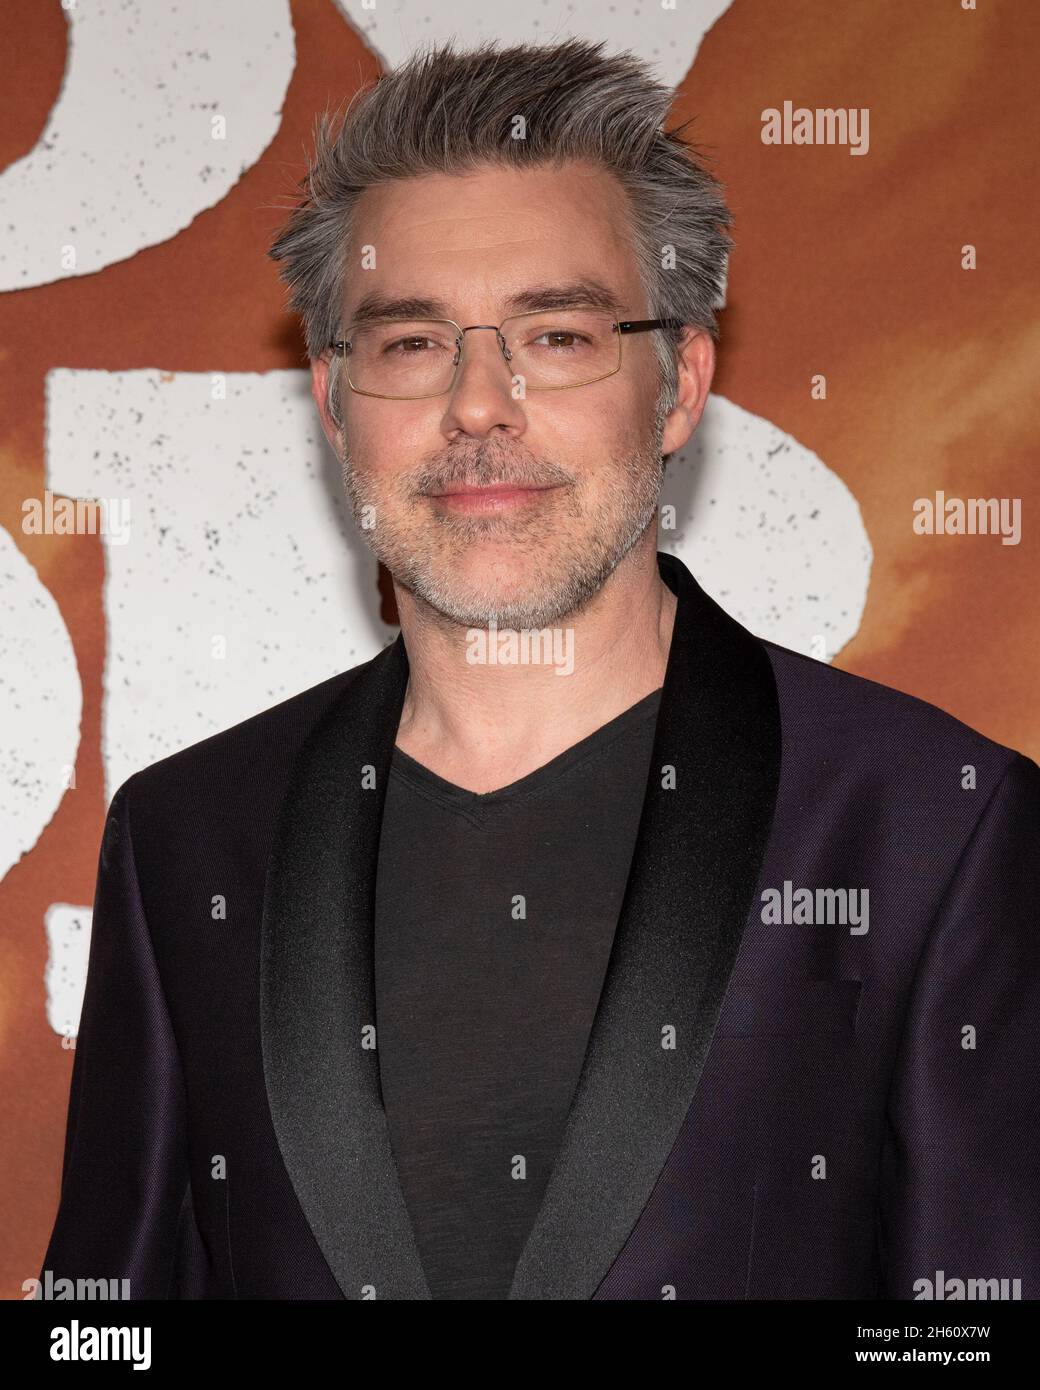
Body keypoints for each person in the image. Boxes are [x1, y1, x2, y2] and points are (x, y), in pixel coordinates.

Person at [40, 37, 1039, 1301]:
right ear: (333, 401)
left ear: (676, 385)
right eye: (410, 345)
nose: (477, 406)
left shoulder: (929, 821)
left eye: (555, 336)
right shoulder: (187, 837)